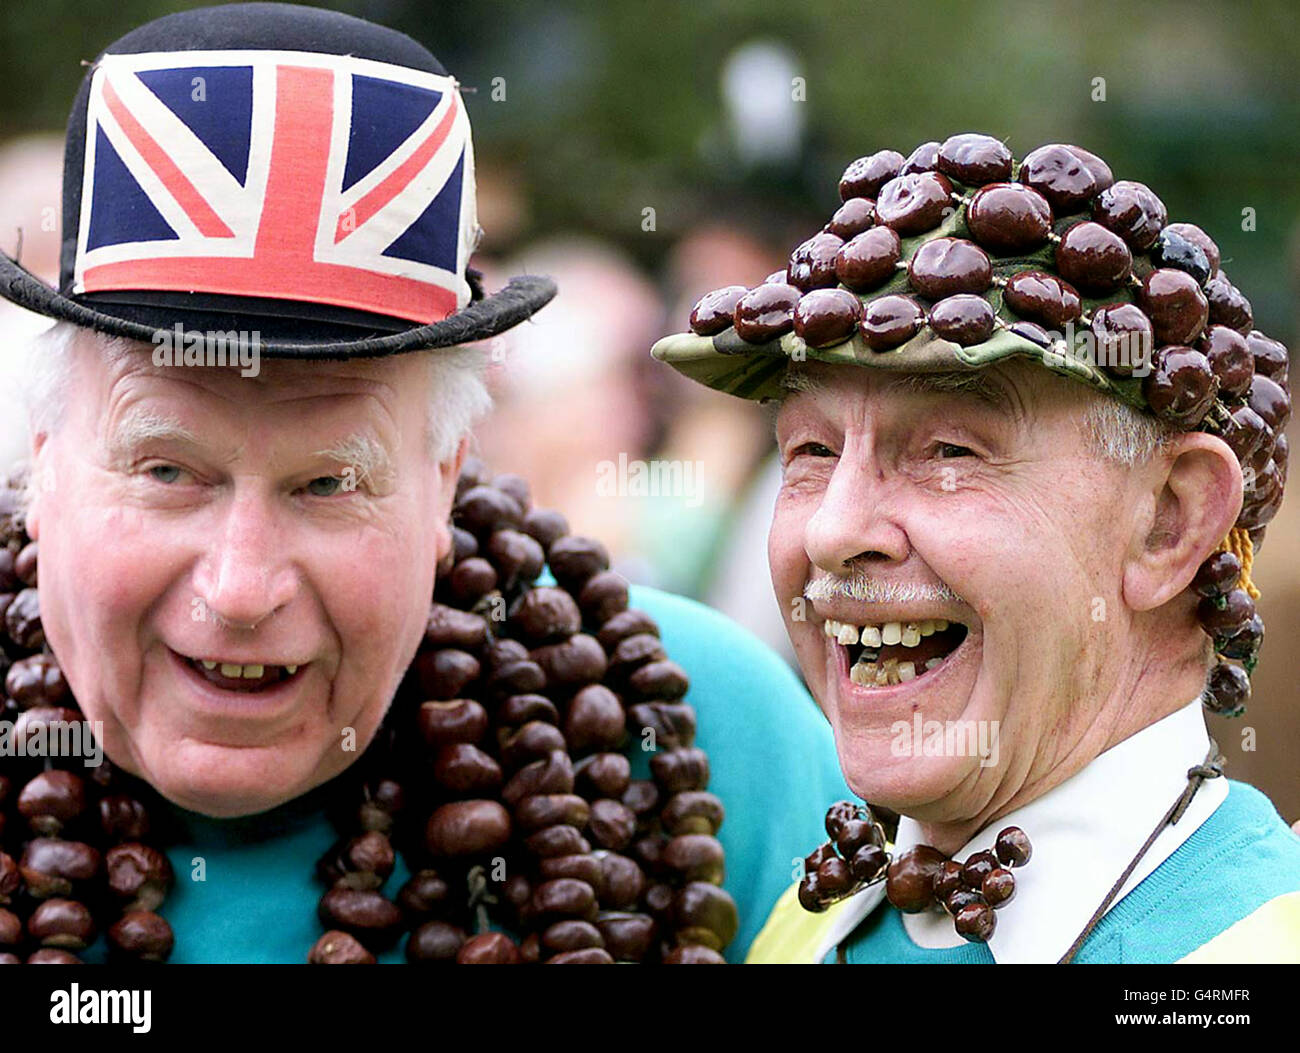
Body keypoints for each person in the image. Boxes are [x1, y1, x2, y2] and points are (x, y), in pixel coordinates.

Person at [0, 3, 847, 965]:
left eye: (327, 482)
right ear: (46, 457)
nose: (240, 589)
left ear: (444, 480)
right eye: (166, 470)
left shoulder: (719, 742)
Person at [653, 134, 1300, 963]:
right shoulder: (802, 930)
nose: (833, 530)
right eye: (810, 452)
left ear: (1169, 522)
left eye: (950, 451)